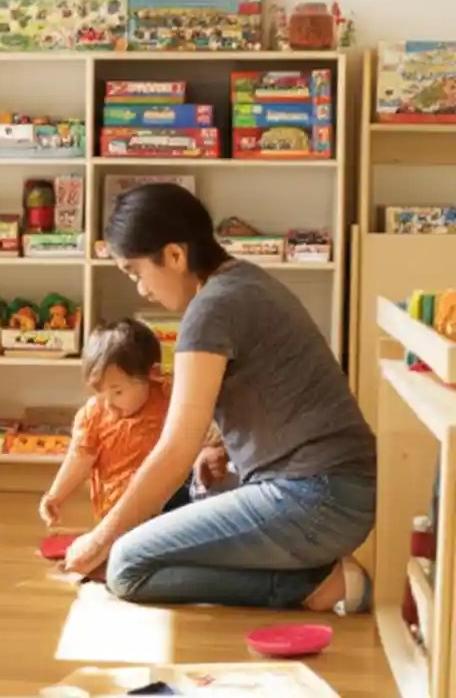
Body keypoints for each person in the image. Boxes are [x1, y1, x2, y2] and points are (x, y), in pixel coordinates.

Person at [63, 183, 376, 614]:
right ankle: (312, 570)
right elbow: (279, 386)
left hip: (316, 499)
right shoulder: (245, 280)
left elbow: (174, 449)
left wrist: (101, 538)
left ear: (174, 256)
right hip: (338, 491)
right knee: (191, 500)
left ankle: (319, 584)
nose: (141, 289)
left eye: (136, 272)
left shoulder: (210, 310)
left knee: (126, 565)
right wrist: (222, 445)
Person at [39, 318, 205, 530]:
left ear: (152, 375)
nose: (108, 402)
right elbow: (80, 456)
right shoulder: (94, 413)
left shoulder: (169, 396)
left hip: (169, 506)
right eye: (99, 391)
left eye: (117, 391)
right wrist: (56, 495)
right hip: (117, 512)